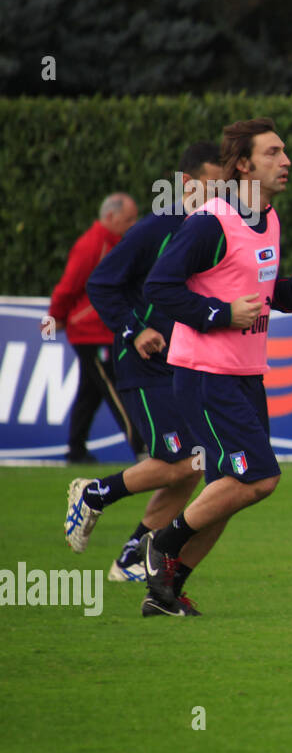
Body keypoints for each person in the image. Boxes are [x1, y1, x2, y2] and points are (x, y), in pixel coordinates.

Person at [139, 118, 292, 617]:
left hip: (245, 373)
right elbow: (160, 287)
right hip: (206, 373)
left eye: (285, 152)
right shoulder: (211, 221)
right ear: (243, 164)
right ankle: (160, 543)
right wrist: (218, 315)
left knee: (231, 490)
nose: (286, 161)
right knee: (258, 478)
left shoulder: (270, 218)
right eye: (273, 153)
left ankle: (163, 595)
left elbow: (253, 292)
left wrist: (290, 294)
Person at [68, 143, 224, 603]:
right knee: (178, 461)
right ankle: (94, 493)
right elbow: (101, 282)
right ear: (187, 184)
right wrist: (135, 330)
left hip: (184, 365)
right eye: (213, 184)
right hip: (144, 363)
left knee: (193, 466)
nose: (222, 193)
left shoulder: (216, 231)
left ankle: (134, 555)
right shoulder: (156, 228)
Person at [49, 192, 143, 463]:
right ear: (110, 217)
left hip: (101, 329)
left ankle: (75, 450)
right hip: (92, 332)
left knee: (90, 392)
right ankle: (142, 447)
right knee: (116, 388)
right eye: (129, 219)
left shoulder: (115, 243)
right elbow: (68, 286)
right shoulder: (93, 244)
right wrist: (55, 317)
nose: (133, 224)